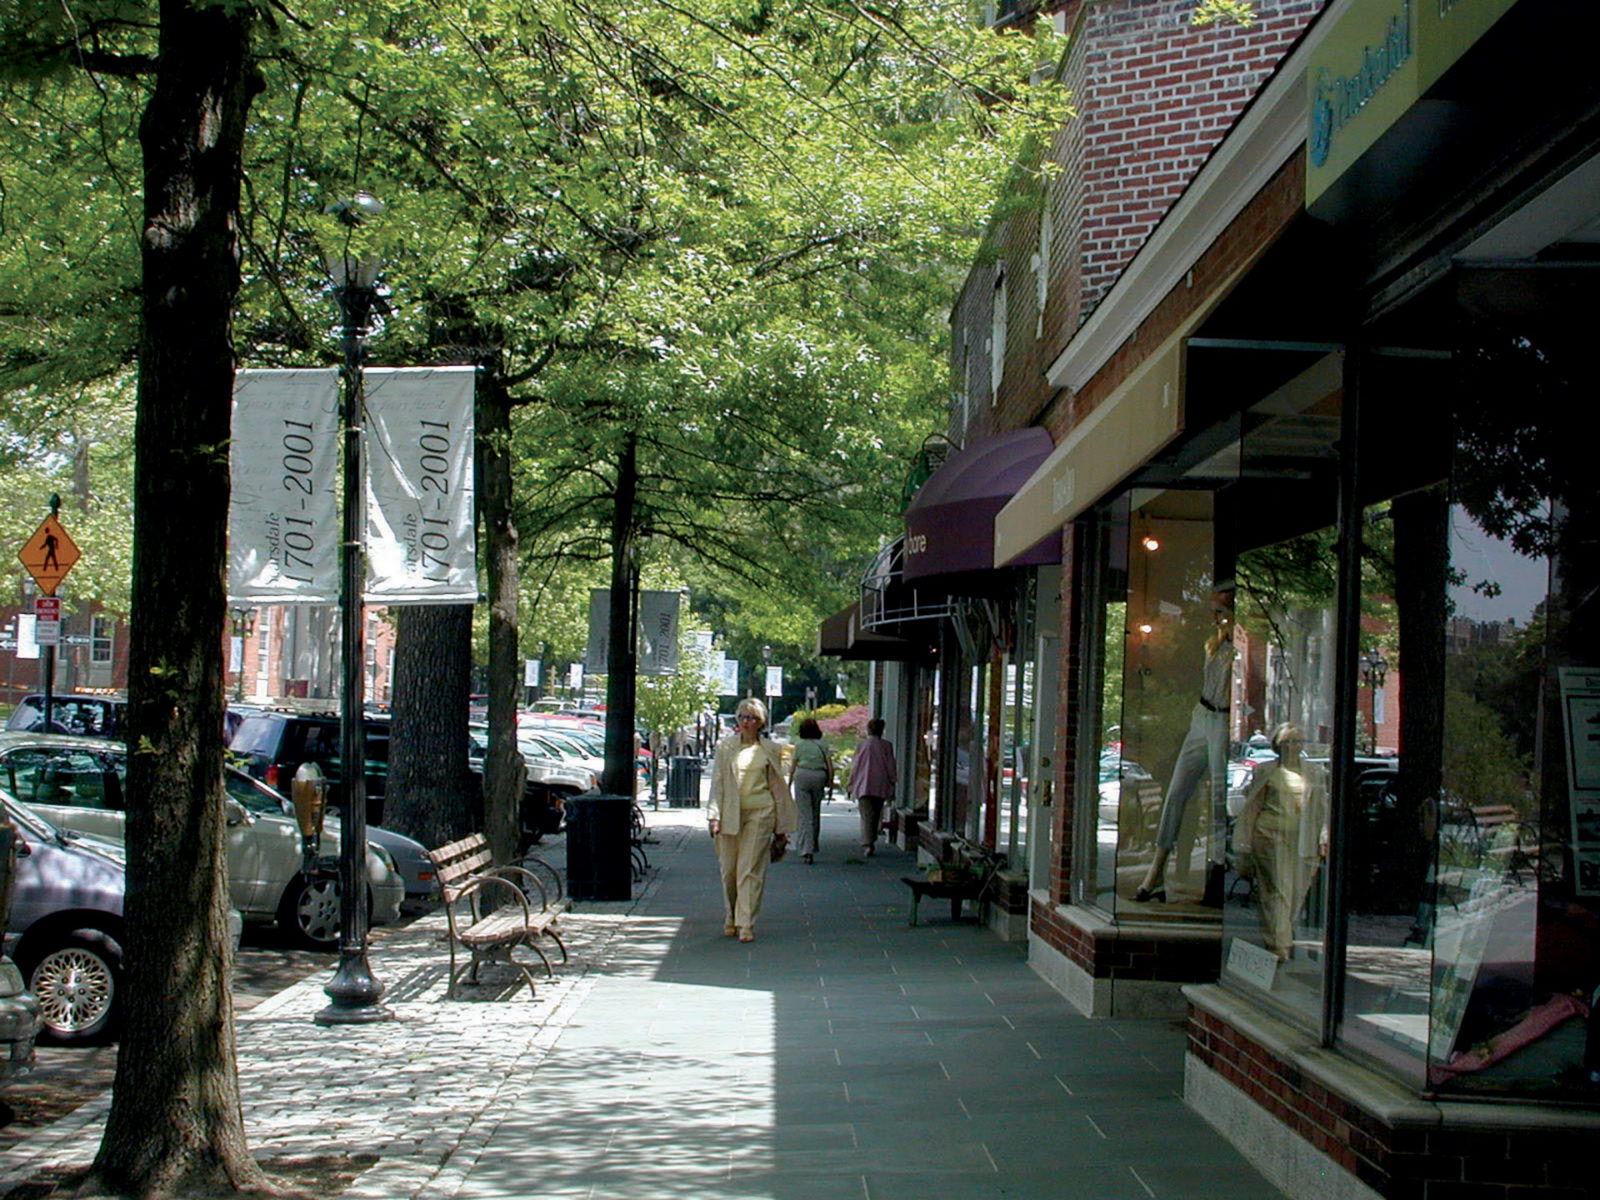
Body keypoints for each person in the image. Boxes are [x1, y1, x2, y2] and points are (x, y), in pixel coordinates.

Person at [1134, 587, 1237, 906]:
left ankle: (1218, 869)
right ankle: (1156, 873)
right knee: (1176, 793)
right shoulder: (1214, 645)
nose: (1217, 618)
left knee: (1218, 796)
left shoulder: (1237, 649)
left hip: (1221, 719)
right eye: (1215, 612)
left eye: (1221, 612)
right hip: (1202, 715)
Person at [1233, 723, 1328, 960]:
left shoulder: (1315, 773)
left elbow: (1322, 808)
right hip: (1269, 837)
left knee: (1296, 892)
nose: (1293, 747)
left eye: (1297, 742)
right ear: (1278, 746)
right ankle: (1279, 946)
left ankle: (1281, 935)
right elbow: (1252, 807)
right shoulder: (1266, 771)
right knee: (1277, 891)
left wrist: (1324, 836)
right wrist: (1243, 843)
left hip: (1303, 840)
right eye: (1287, 743)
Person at [707, 698, 796, 942]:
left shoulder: (770, 749)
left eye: (752, 718)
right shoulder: (726, 747)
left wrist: (782, 825)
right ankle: (731, 915)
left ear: (761, 722)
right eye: (743, 717)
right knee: (729, 871)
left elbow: (777, 788)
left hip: (761, 813)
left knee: (750, 869)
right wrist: (714, 815)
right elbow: (718, 783)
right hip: (729, 814)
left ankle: (745, 923)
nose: (747, 722)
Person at [847, 718, 897, 858]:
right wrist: (893, 780)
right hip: (880, 784)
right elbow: (890, 765)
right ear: (882, 730)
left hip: (864, 784)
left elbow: (856, 766)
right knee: (876, 813)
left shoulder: (862, 745)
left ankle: (868, 843)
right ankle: (871, 838)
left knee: (866, 815)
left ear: (868, 729)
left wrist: (851, 782)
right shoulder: (887, 746)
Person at [787, 718, 832, 864]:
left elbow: (793, 765)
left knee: (804, 814)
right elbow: (830, 765)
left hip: (802, 776)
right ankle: (813, 845)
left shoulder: (799, 745)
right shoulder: (823, 744)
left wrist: (789, 782)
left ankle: (806, 849)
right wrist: (830, 783)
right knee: (815, 812)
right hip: (819, 776)